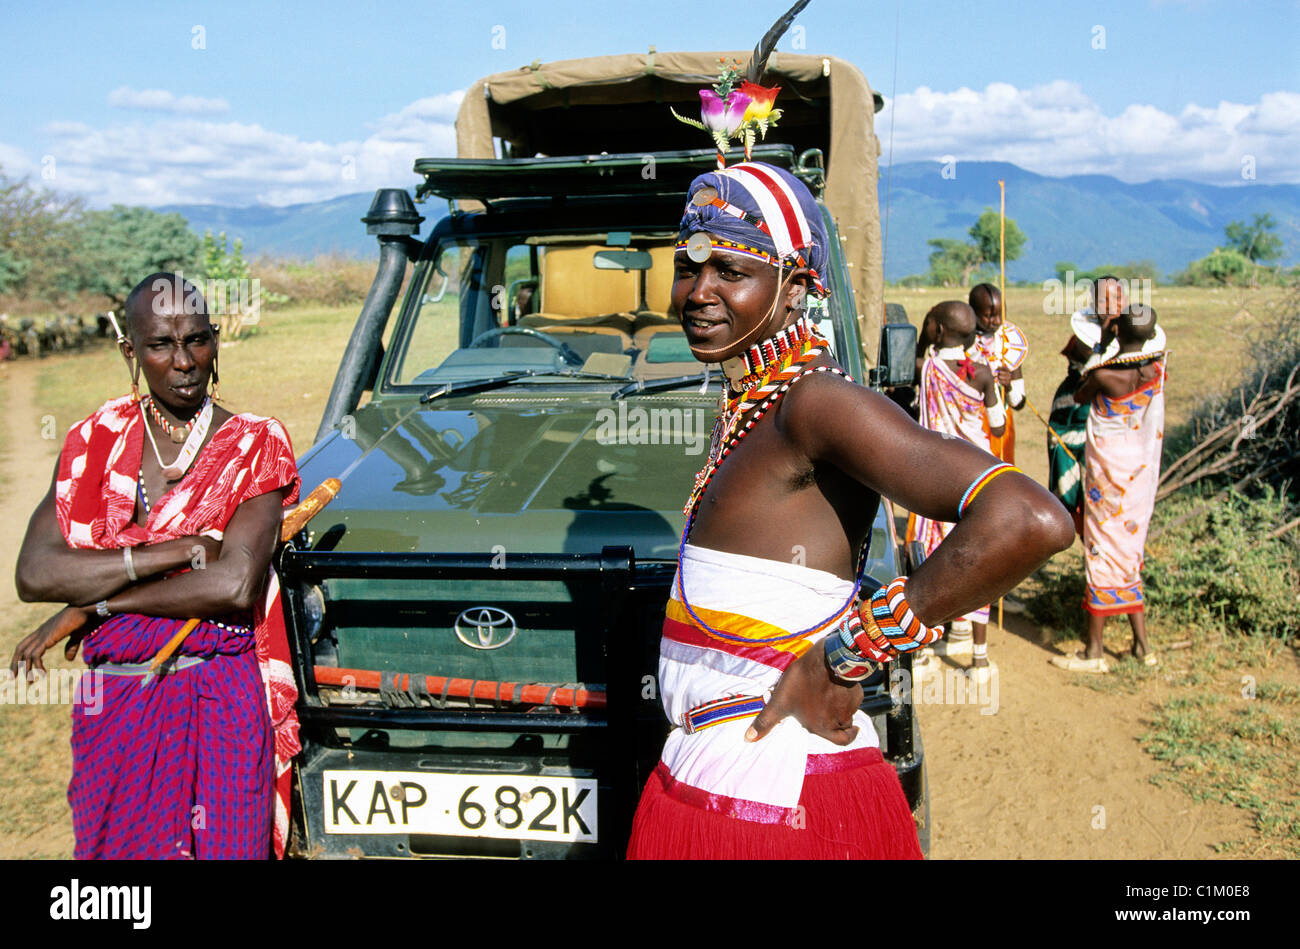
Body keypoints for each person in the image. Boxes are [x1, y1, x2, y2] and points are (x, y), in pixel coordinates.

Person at [625, 162, 1074, 859]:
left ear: (796, 287)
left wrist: (844, 657)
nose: (699, 292)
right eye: (688, 268)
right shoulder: (753, 397)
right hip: (724, 778)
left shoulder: (815, 402)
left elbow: (1027, 516)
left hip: (770, 798)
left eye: (732, 271)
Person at [10, 273, 301, 859]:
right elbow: (35, 574)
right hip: (118, 700)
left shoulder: (253, 445)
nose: (184, 361)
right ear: (131, 352)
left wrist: (95, 604)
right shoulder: (96, 442)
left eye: (197, 340)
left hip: (219, 694)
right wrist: (171, 552)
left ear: (215, 341)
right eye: (161, 345)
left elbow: (232, 583)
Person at [1052, 304, 1165, 673]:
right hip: (1139, 480)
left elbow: (1081, 397)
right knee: (1128, 552)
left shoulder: (1103, 375)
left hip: (1107, 480)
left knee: (1101, 553)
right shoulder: (1157, 371)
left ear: (1116, 333)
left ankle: (1094, 651)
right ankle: (1143, 646)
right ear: (1150, 336)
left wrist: (1104, 343)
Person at [909, 301, 1007, 672]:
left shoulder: (927, 368)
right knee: (977, 557)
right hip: (976, 476)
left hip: (935, 478)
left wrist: (922, 340)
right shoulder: (982, 373)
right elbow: (997, 427)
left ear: (935, 331)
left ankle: (921, 650)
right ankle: (979, 658)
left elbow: (916, 364)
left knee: (929, 557)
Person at [1048, 276, 1127, 534]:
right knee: (1087, 489)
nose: (1112, 303)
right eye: (1104, 298)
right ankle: (1090, 541)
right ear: (1093, 303)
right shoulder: (1085, 335)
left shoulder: (1135, 333)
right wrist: (1103, 342)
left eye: (1117, 297)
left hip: (1116, 422)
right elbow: (1088, 379)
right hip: (1076, 417)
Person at [968, 283, 1028, 463]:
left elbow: (1019, 403)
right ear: (973, 313)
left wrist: (1009, 385)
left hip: (1001, 424)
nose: (995, 321)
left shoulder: (1008, 345)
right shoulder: (963, 341)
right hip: (970, 421)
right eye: (988, 316)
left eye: (999, 315)